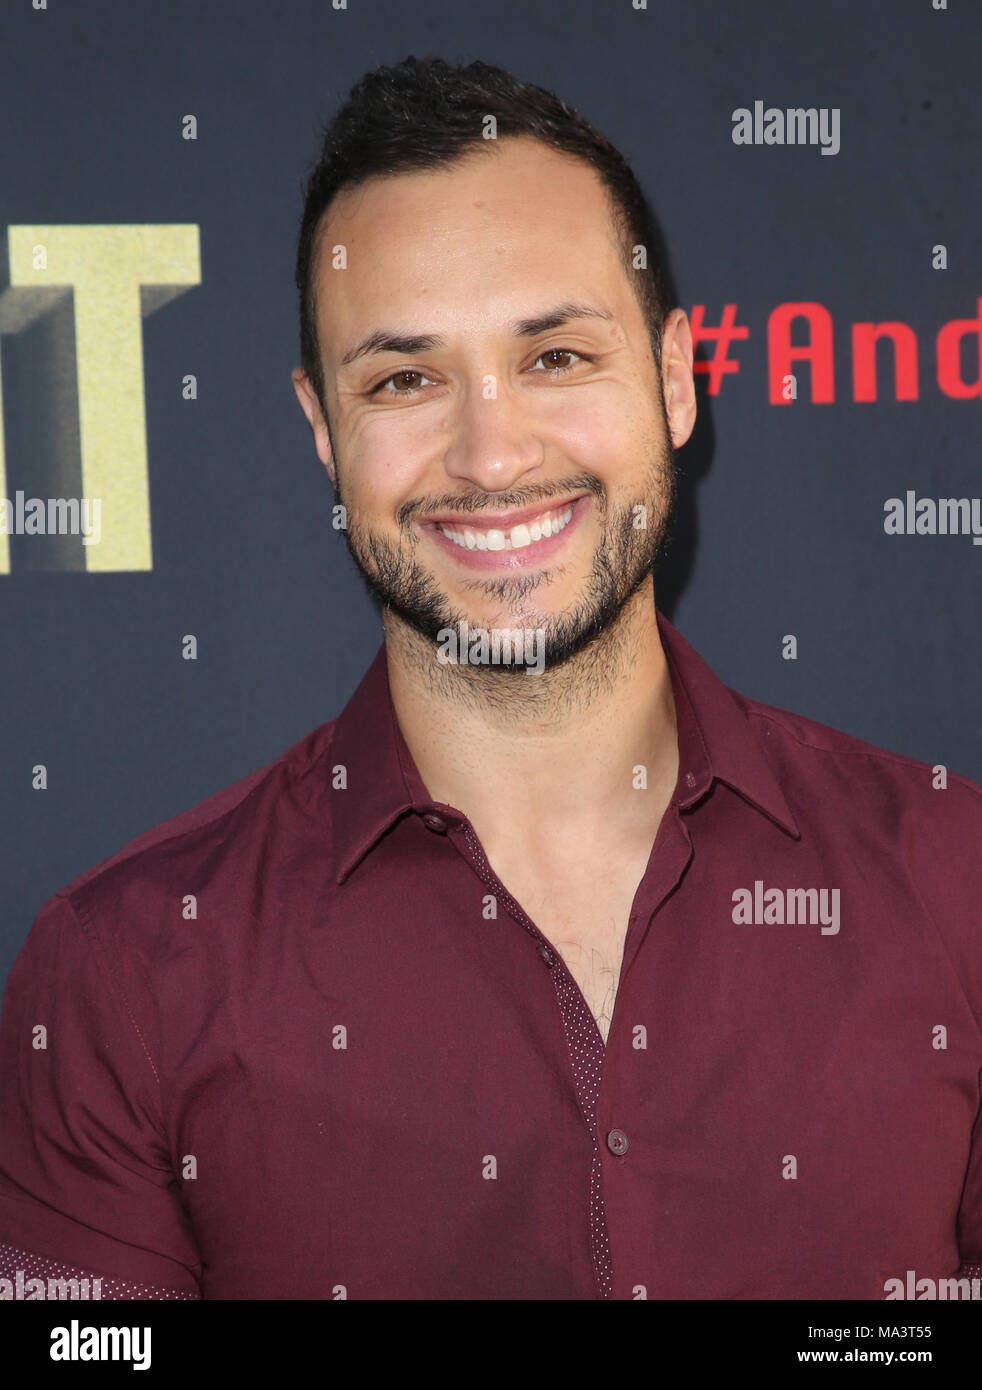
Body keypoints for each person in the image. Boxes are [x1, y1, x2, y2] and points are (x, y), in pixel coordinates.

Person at [1, 55, 980, 1302]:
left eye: (556, 357)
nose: (491, 450)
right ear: (324, 433)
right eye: (404, 379)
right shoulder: (122, 970)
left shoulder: (956, 879)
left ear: (676, 380)